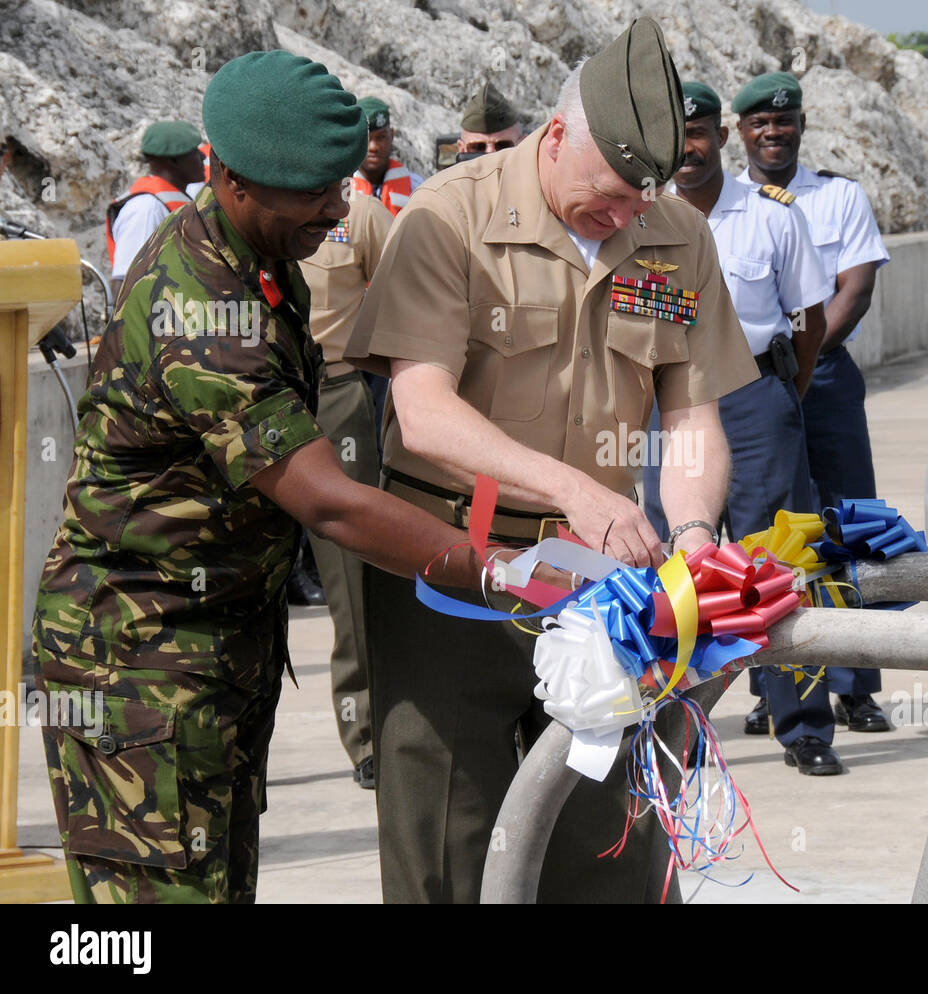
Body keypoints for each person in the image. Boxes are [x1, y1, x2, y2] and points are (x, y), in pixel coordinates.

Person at [32, 50, 512, 905]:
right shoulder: (201, 308)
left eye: (338, 184)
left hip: (210, 656)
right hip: (137, 670)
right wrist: (501, 572)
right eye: (313, 192)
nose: (337, 209)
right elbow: (326, 499)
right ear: (232, 179)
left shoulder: (253, 259)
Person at [344, 18, 756, 903]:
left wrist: (689, 539)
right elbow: (423, 413)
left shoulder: (678, 235)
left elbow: (690, 417)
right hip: (454, 570)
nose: (624, 219)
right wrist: (573, 486)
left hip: (602, 587)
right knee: (448, 845)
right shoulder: (450, 215)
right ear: (557, 135)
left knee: (611, 848)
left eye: (640, 203)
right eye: (608, 198)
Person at [641, 83, 841, 774]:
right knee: (673, 564)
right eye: (674, 135)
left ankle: (805, 727)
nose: (686, 149)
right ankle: (673, 727)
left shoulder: (770, 217)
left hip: (756, 394)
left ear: (721, 137)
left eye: (697, 133)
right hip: (668, 401)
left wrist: (783, 395)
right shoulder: (639, 221)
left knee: (777, 558)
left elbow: (810, 323)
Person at [734, 72, 895, 736]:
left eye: (785, 121)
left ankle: (857, 683)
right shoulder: (724, 205)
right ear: (739, 134)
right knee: (772, 535)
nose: (774, 133)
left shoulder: (839, 197)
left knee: (843, 526)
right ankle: (777, 688)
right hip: (757, 388)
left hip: (823, 378)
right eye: (760, 125)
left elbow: (853, 290)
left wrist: (806, 355)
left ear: (802, 125)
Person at [299, 188, 394, 789]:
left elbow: (405, 295)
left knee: (351, 580)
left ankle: (365, 737)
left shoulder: (359, 215)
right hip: (248, 397)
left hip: (334, 398)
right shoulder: (228, 207)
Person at [105, 120, 207, 299]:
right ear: (173, 161)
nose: (203, 157)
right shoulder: (146, 209)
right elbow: (127, 286)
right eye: (193, 152)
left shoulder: (175, 199)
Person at [351, 97, 424, 216]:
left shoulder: (415, 186)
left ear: (392, 135)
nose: (373, 147)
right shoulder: (341, 187)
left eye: (381, 137)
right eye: (366, 138)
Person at [458, 81, 525, 160]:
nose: (490, 154)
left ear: (523, 144)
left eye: (502, 145)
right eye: (478, 147)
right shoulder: (449, 172)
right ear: (462, 149)